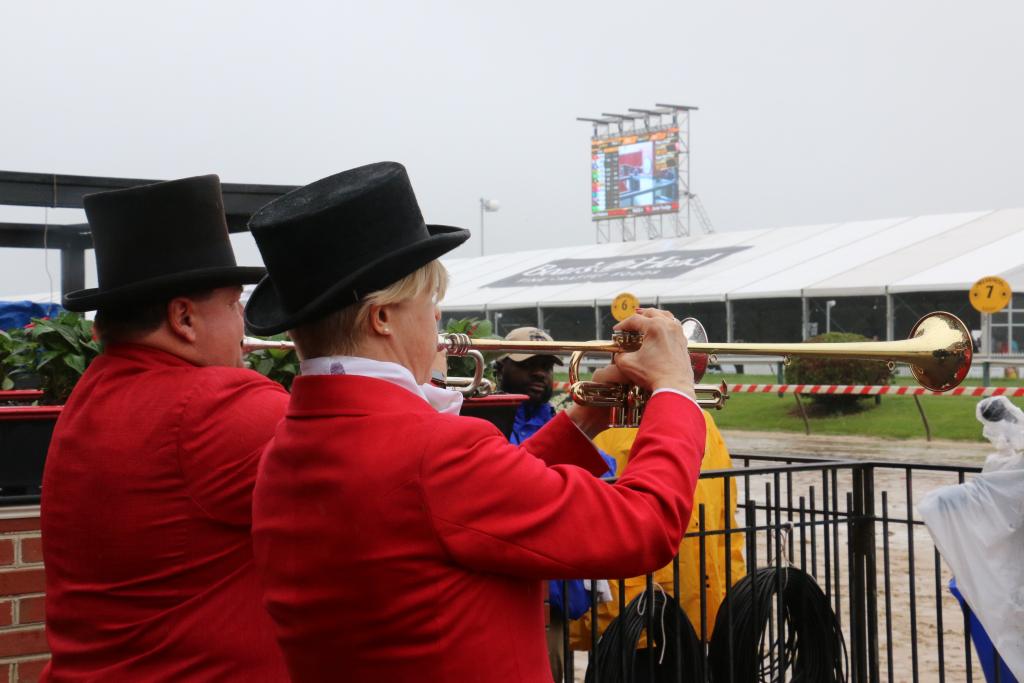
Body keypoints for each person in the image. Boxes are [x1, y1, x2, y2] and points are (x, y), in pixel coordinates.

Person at [244, 161, 707, 683]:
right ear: (382, 317)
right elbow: (642, 527)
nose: (437, 318)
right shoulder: (433, 453)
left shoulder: (288, 445)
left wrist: (587, 413)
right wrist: (674, 390)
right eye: (430, 301)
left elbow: (465, 505)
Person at [41, 176, 290, 682]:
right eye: (233, 304)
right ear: (184, 319)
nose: (244, 327)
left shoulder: (92, 395)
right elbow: (374, 462)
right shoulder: (214, 404)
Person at [493, 327, 616, 681]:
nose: (540, 373)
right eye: (529, 363)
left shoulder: (558, 422)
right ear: (500, 369)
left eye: (547, 365)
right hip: (505, 588)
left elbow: (606, 475)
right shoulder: (484, 421)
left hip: (556, 591)